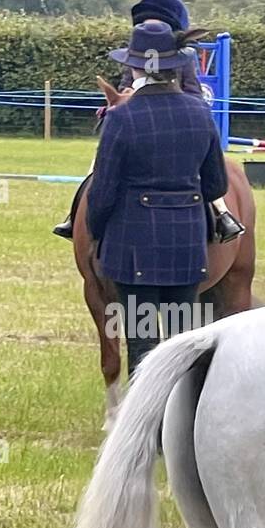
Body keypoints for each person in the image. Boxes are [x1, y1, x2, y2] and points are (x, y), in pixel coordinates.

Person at [85, 21, 229, 380]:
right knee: (182, 345)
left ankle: (145, 429)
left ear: (134, 67)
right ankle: (181, 424)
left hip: (132, 250)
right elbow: (215, 185)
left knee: (143, 345)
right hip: (186, 249)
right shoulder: (200, 113)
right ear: (175, 67)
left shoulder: (121, 118)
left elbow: (102, 193)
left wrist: (98, 232)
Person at [54, 0, 243, 244]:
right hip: (139, 121)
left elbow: (193, 92)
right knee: (97, 162)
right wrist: (125, 97)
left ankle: (222, 214)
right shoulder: (136, 55)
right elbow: (124, 85)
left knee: (202, 168)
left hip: (178, 125)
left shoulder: (183, 58)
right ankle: (75, 214)